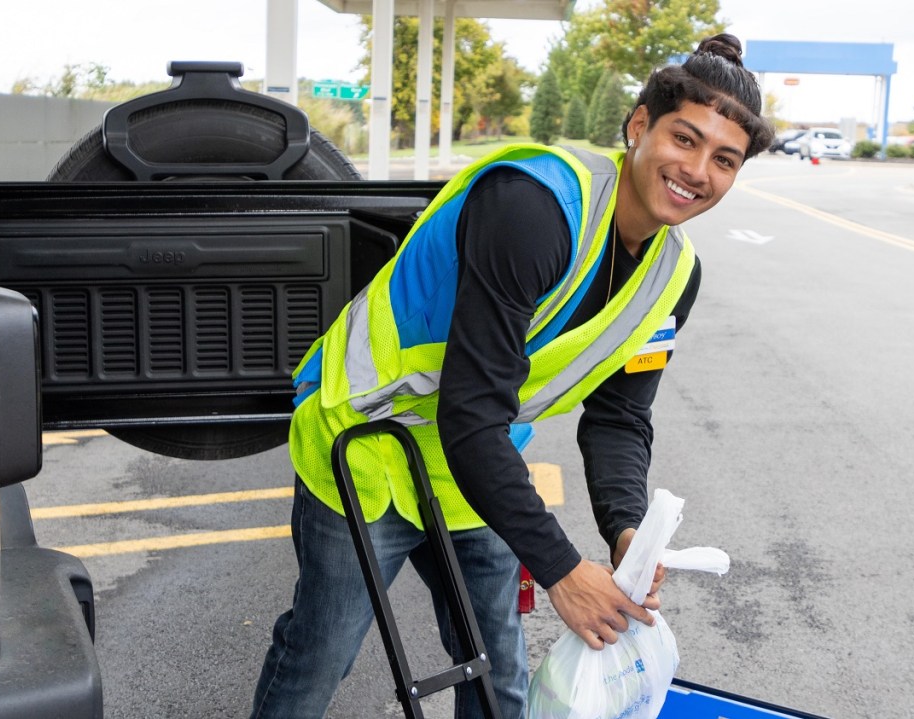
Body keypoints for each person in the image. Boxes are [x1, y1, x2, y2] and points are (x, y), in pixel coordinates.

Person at [250, 32, 775, 719]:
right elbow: (468, 409)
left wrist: (624, 533)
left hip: (473, 468)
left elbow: (619, 417)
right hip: (370, 440)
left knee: (498, 677)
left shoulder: (675, 275)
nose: (698, 169)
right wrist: (561, 569)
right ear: (640, 125)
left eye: (725, 160)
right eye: (685, 138)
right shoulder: (535, 205)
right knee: (323, 652)